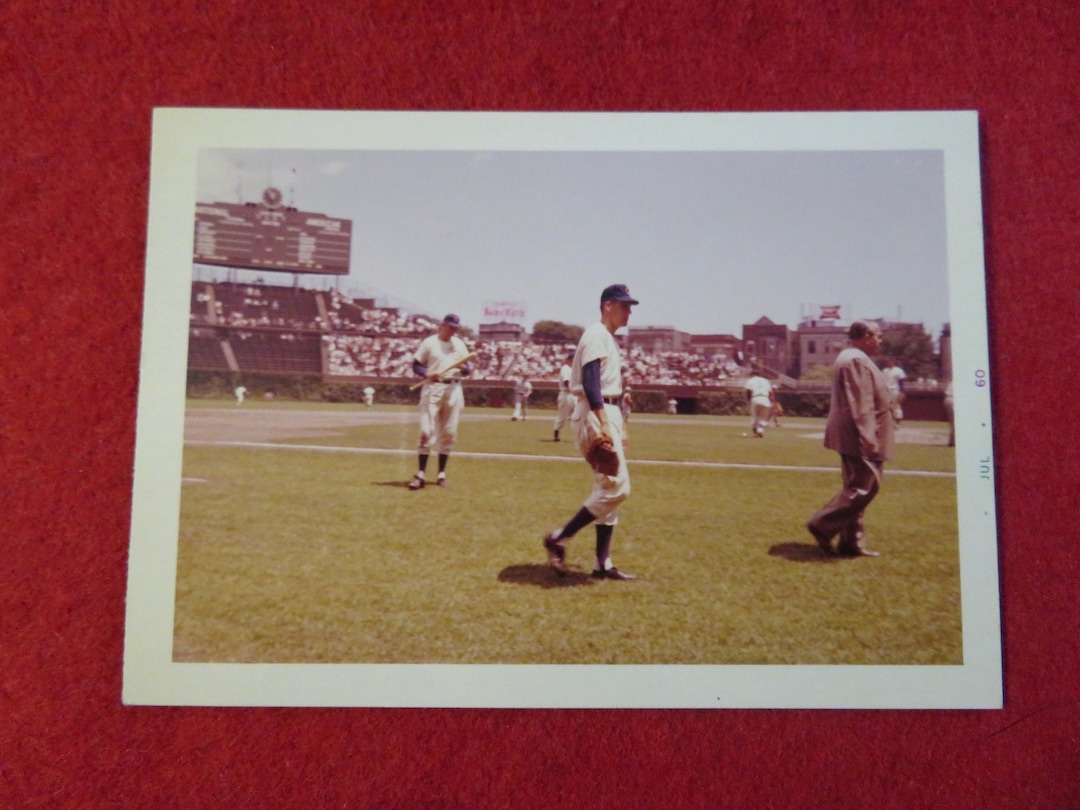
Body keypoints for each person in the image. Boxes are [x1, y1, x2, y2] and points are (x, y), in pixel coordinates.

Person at [543, 284, 639, 581]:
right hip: (595, 410)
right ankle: (559, 537)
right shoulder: (596, 334)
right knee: (618, 487)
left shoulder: (607, 338)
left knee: (606, 486)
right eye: (624, 305)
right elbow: (590, 380)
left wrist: (618, 423)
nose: (629, 311)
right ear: (608, 305)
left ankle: (602, 563)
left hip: (606, 410)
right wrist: (603, 422)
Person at [806, 320, 897, 558]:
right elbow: (861, 402)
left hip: (855, 433)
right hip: (860, 434)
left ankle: (851, 543)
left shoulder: (854, 358)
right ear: (865, 335)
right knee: (866, 486)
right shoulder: (855, 360)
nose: (880, 340)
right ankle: (822, 524)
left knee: (855, 486)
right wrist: (868, 436)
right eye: (877, 336)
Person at [408, 314, 472, 490]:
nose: (453, 331)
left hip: (453, 389)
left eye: (455, 328)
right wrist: (426, 373)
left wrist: (463, 367)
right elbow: (416, 365)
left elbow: (468, 370)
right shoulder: (430, 342)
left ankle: (441, 474)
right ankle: (420, 474)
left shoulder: (459, 344)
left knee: (449, 432)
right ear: (443, 325)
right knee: (426, 431)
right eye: (450, 327)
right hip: (432, 388)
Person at [553, 350, 576, 442]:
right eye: (573, 359)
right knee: (562, 416)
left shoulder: (573, 369)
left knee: (580, 414)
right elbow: (567, 382)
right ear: (569, 360)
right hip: (566, 394)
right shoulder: (565, 368)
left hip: (573, 395)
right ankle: (556, 435)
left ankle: (582, 435)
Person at [744, 373, 773, 438]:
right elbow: (770, 392)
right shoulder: (766, 380)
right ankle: (760, 430)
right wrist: (771, 401)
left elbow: (748, 392)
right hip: (765, 398)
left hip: (755, 397)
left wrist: (748, 401)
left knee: (755, 416)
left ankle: (755, 429)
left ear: (752, 375)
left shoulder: (750, 380)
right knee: (764, 416)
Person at [882, 359, 908, 423]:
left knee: (896, 405)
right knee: (886, 405)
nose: (889, 363)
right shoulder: (885, 371)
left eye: (891, 361)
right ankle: (888, 421)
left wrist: (902, 392)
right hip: (886, 390)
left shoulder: (898, 370)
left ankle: (897, 421)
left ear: (894, 362)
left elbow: (901, 382)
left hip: (895, 390)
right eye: (888, 362)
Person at [943, 381, 955, 447]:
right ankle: (953, 442)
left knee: (954, 423)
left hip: (949, 398)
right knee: (956, 423)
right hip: (952, 398)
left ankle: (952, 441)